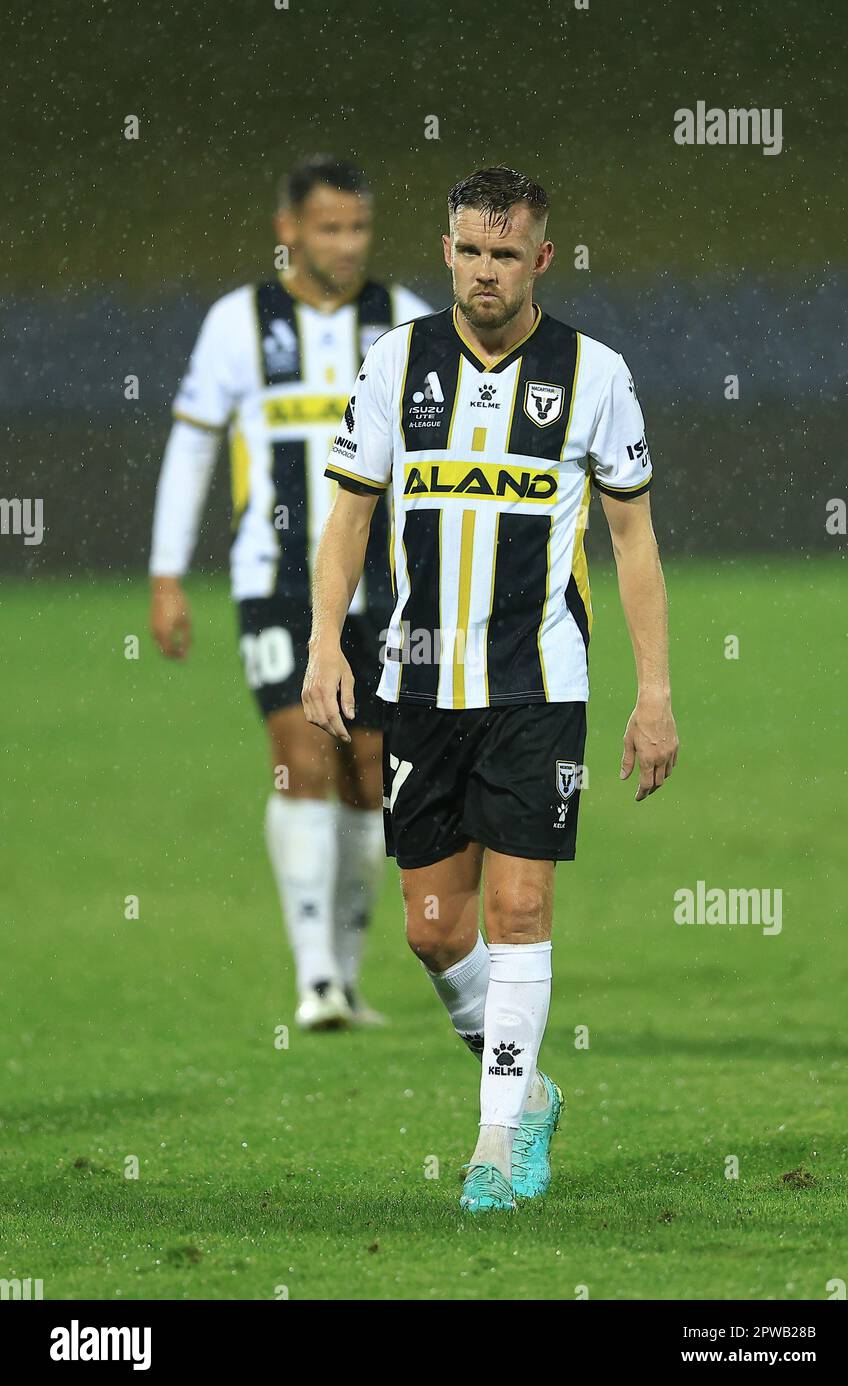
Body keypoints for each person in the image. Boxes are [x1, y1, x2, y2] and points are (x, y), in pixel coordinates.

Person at [302, 165, 679, 1208]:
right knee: (431, 926)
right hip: (416, 684)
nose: (483, 270)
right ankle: (528, 1092)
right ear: (447, 250)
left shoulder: (594, 373)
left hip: (535, 684)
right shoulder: (395, 362)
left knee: (520, 908)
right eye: (468, 249)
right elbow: (347, 519)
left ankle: (492, 1145)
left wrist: (653, 692)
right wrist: (325, 642)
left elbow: (632, 540)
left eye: (504, 253)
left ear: (540, 259)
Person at [149, 156, 432, 1030]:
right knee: (301, 753)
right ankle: (314, 981)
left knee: (368, 777)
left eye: (358, 229)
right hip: (274, 579)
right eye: (328, 228)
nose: (346, 245)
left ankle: (345, 977)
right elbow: (195, 446)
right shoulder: (237, 324)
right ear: (289, 229)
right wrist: (167, 573)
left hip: (384, 588)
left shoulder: (408, 322)